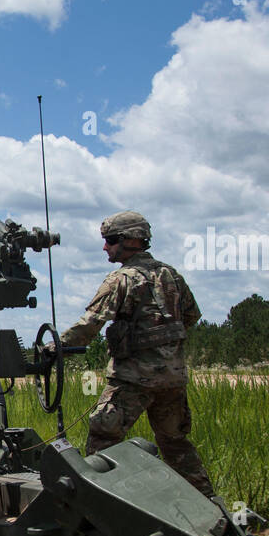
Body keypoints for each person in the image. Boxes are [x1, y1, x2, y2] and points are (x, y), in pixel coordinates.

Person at [57, 210, 215, 497]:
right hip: (172, 380)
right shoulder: (172, 276)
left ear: (131, 240)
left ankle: (102, 504)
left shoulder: (121, 279)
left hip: (132, 379)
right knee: (175, 444)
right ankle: (211, 508)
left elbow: (91, 324)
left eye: (110, 240)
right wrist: (163, 347)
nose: (105, 246)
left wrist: (54, 349)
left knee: (103, 440)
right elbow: (191, 316)